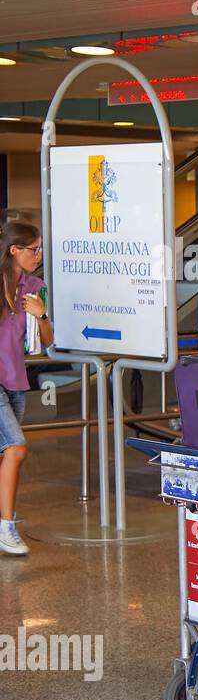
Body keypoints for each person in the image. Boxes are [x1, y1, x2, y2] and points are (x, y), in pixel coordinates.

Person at [0, 221, 52, 556]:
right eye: (34, 248)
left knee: (6, 454)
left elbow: (48, 342)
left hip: (16, 380)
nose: (39, 255)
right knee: (17, 448)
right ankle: (7, 527)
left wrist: (42, 314)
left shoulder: (37, 286)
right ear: (14, 251)